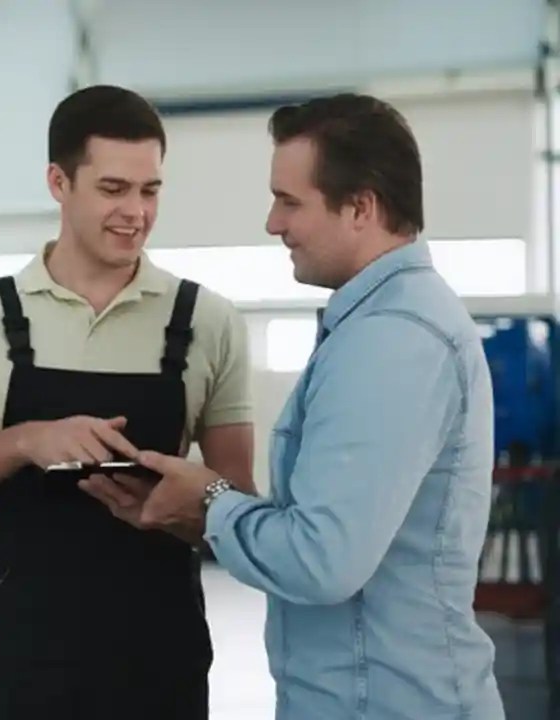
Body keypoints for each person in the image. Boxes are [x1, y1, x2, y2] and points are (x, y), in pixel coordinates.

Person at [89, 93, 505, 719]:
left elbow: (322, 560)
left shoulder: (392, 339)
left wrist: (208, 502)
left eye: (289, 202)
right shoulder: (381, 325)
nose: (272, 223)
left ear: (361, 207)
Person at [0, 84, 257, 720]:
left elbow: (241, 501)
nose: (135, 213)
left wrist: (184, 506)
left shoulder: (208, 320)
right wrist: (26, 440)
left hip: (159, 662)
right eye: (113, 190)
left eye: (150, 191)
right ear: (59, 182)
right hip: (15, 663)